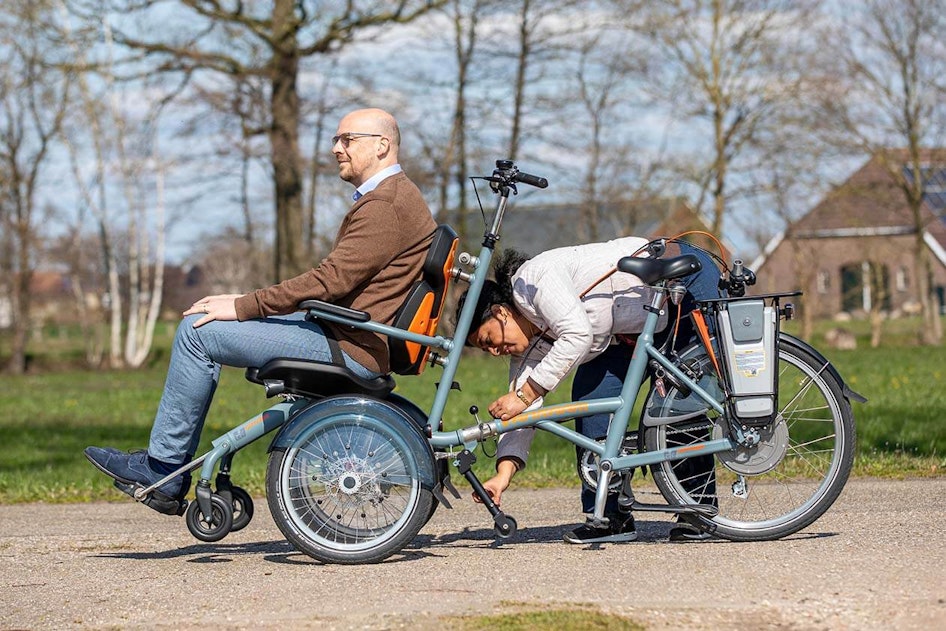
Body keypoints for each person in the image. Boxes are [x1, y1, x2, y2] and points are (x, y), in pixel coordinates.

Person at [86, 108, 437, 515]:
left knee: (198, 331)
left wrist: (243, 306)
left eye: (348, 140)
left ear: (382, 146)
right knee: (210, 319)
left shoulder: (386, 205)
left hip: (349, 343)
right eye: (335, 140)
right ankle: (165, 467)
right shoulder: (392, 198)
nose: (336, 149)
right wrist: (246, 305)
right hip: (346, 334)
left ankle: (162, 469)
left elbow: (330, 281)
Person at [459, 237, 722, 544]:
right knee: (591, 400)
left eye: (488, 340)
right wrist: (502, 477)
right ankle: (609, 517)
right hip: (624, 333)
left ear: (500, 312)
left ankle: (698, 511)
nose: (494, 352)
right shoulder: (527, 346)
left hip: (680, 287)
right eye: (486, 350)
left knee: (677, 406)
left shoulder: (534, 280)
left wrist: (525, 394)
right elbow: (522, 412)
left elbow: (577, 335)